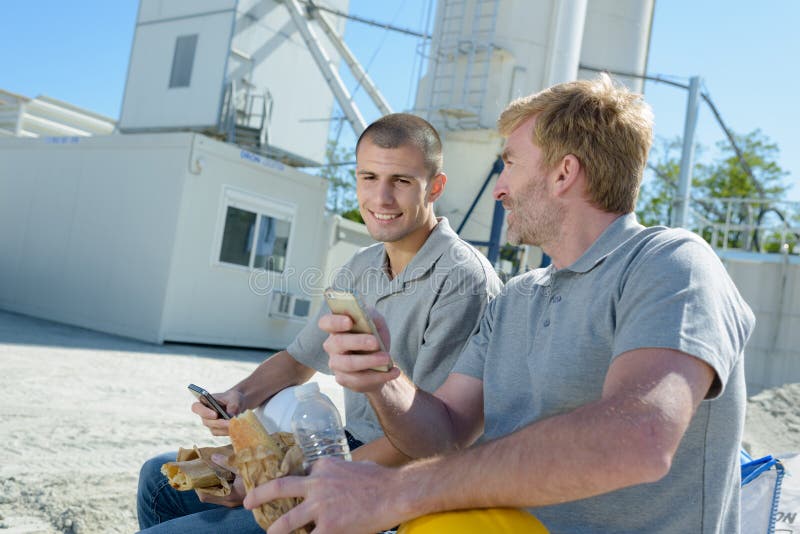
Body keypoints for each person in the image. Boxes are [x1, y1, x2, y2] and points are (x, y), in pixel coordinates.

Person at [244, 74, 756, 534]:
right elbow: (443, 434)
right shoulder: (516, 298)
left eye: (509, 163)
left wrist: (394, 493)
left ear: (563, 174)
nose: (500, 188)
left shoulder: (670, 264)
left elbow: (640, 435)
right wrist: (384, 377)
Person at [136, 113, 503, 532]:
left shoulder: (463, 280)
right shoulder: (361, 266)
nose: (380, 198)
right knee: (158, 480)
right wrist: (236, 398)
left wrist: (295, 482)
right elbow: (296, 361)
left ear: (434, 187)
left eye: (401, 181)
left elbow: (432, 441)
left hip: (396, 479)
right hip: (344, 448)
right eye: (368, 177)